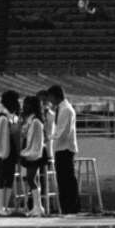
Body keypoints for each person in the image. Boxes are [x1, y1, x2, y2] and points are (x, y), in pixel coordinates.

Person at [48, 85, 80, 214]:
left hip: (65, 148)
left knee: (66, 179)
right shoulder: (62, 108)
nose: (50, 100)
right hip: (62, 147)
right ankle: (68, 206)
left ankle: (70, 206)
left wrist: (48, 137)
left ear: (55, 96)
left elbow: (61, 131)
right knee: (65, 179)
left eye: (50, 97)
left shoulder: (65, 110)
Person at [0, 91, 21, 216]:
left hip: (7, 148)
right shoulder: (6, 116)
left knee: (8, 177)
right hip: (5, 148)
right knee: (3, 177)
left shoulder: (8, 115)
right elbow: (14, 131)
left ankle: (5, 206)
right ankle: (0, 206)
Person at [19, 95, 47, 217]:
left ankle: (38, 206)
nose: (24, 107)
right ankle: (37, 206)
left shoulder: (36, 121)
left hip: (35, 152)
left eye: (27, 104)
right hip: (31, 151)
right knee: (31, 179)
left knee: (31, 178)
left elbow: (35, 140)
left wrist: (28, 153)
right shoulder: (30, 119)